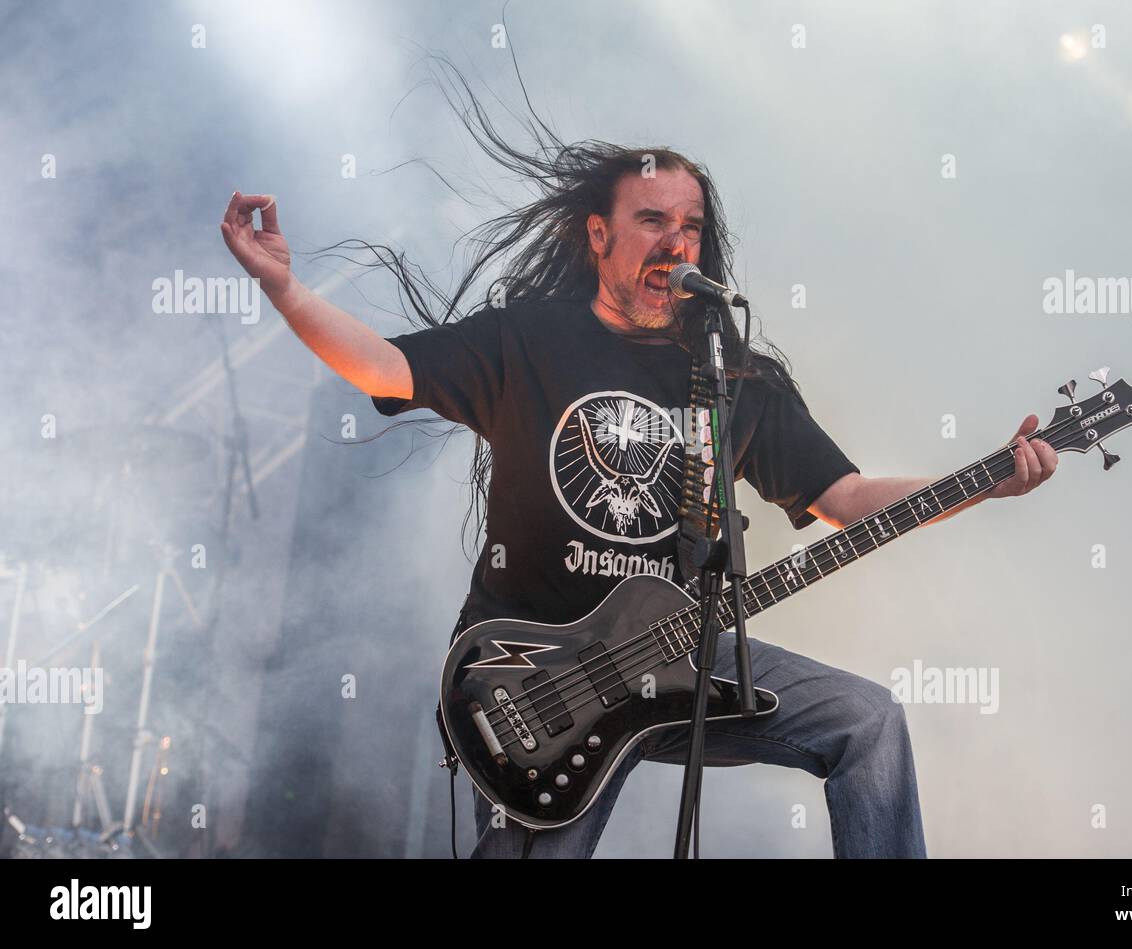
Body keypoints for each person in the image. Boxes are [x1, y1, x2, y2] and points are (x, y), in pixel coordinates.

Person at [220, 146, 1056, 859]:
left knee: (867, 720)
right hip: (542, 682)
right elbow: (382, 368)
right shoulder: (528, 340)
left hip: (683, 655)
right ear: (599, 235)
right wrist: (287, 291)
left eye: (689, 225)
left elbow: (847, 497)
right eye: (653, 220)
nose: (675, 242)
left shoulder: (732, 377)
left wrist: (983, 480)